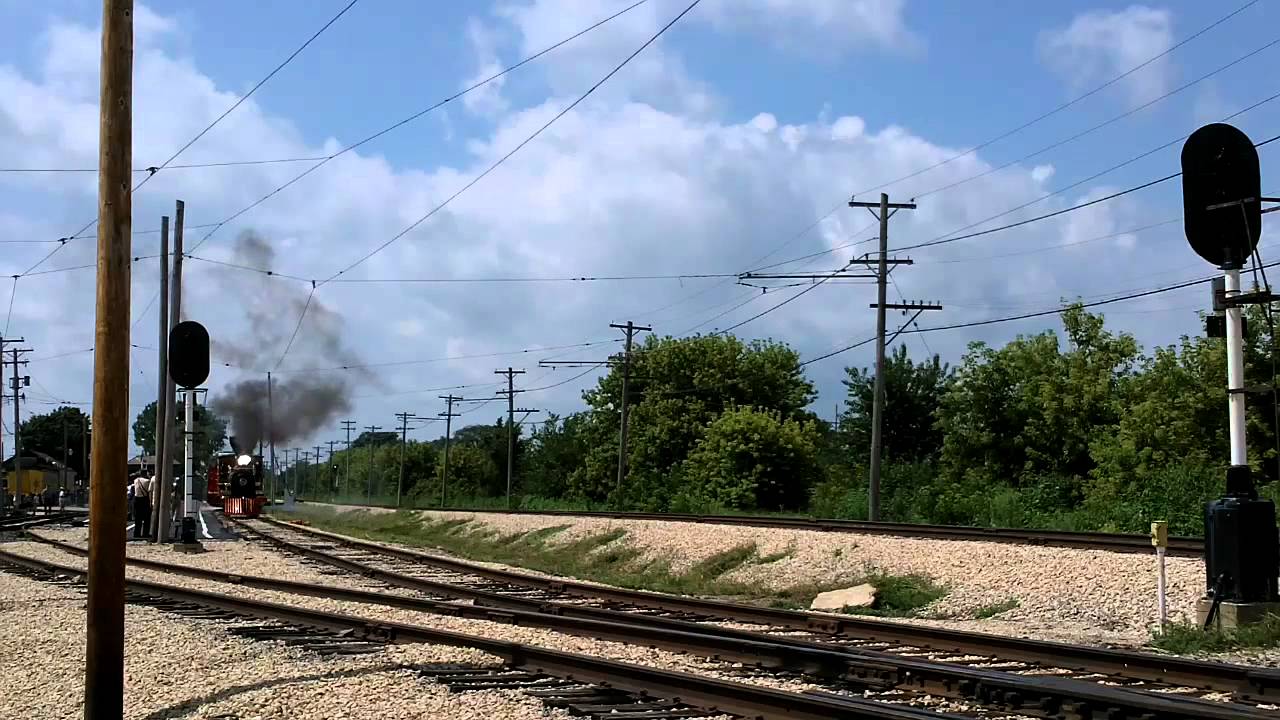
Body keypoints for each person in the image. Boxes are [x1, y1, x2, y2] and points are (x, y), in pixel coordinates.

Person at [132, 474, 152, 540]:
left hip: (137, 499)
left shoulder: (136, 480)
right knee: (147, 518)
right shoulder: (147, 481)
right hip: (144, 499)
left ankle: (136, 533)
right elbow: (149, 491)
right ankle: (145, 533)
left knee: (138, 518)